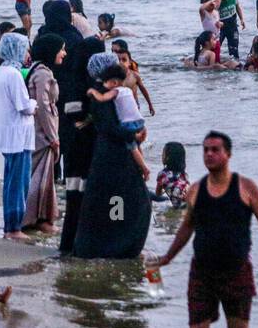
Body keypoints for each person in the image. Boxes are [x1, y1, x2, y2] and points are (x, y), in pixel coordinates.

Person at [151, 131, 258, 328]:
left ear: (228, 154)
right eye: (206, 150)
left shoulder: (246, 187)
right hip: (202, 272)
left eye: (215, 149)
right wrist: (167, 257)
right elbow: (187, 228)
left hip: (237, 270)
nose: (209, 154)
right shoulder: (196, 189)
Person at [72, 51, 153, 259]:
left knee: (114, 200)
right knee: (119, 200)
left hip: (108, 155)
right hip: (114, 157)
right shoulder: (105, 95)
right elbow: (108, 126)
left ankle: (112, 243)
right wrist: (132, 134)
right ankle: (115, 245)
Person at [0, 32, 36, 242]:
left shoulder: (1, 71)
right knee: (19, 182)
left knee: (11, 181)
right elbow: (24, 106)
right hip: (18, 135)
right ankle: (14, 226)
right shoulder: (14, 75)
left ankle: (10, 224)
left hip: (8, 132)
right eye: (25, 49)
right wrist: (35, 104)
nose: (28, 53)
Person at [24, 33, 63, 233]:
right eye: (61, 49)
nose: (64, 53)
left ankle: (39, 217)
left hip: (38, 129)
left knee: (39, 174)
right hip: (41, 132)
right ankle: (36, 218)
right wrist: (53, 137)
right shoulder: (43, 74)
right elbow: (43, 106)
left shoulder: (37, 69)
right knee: (40, 176)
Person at [154, 142, 191, 208]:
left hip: (181, 207)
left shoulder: (162, 174)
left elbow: (158, 193)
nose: (161, 156)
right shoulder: (184, 174)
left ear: (167, 158)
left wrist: (165, 189)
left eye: (163, 154)